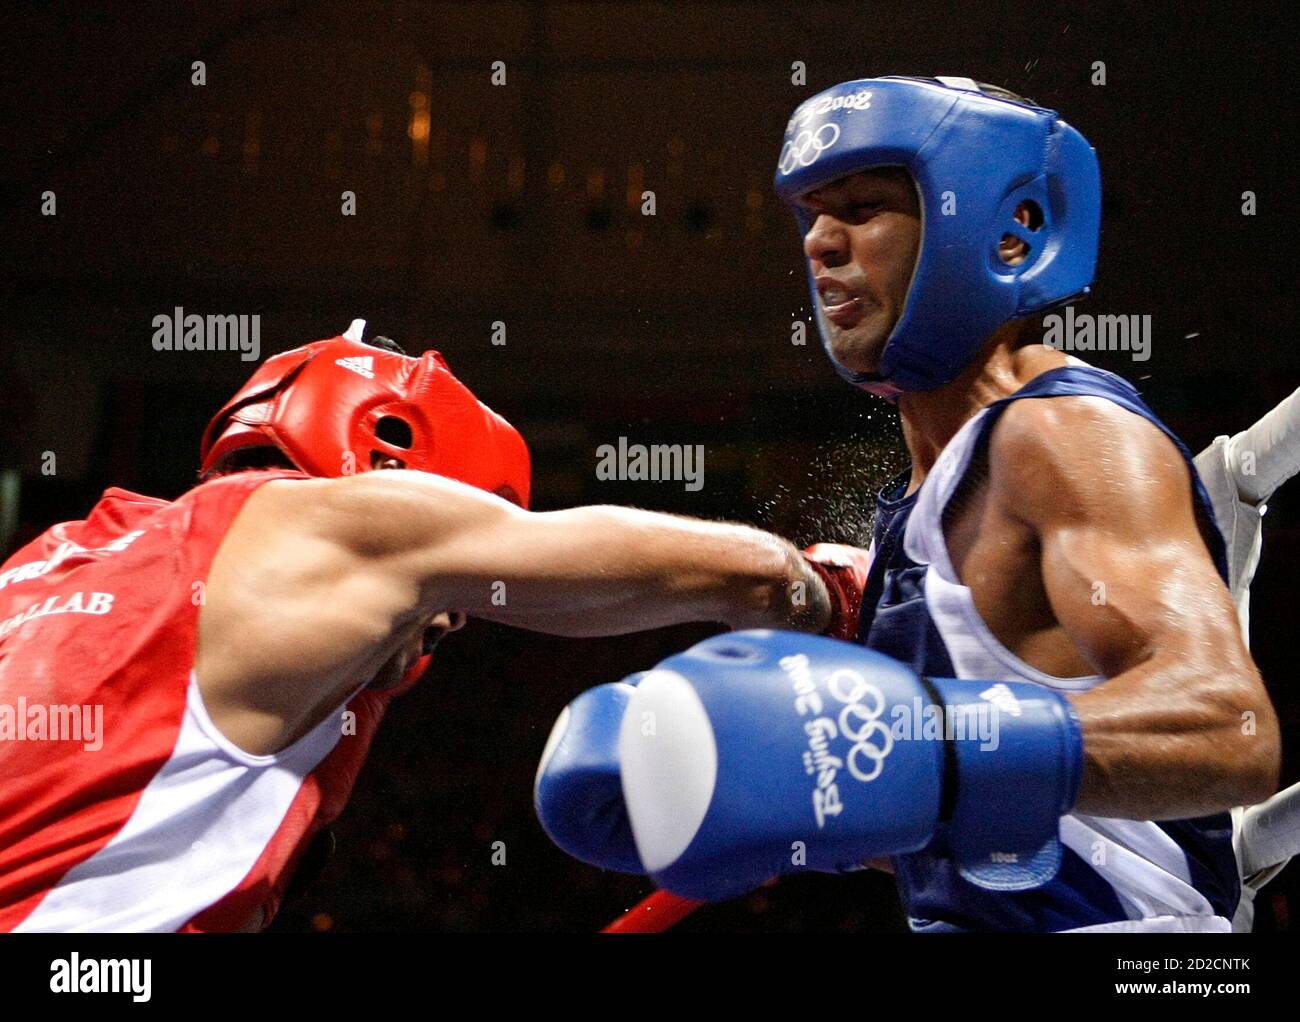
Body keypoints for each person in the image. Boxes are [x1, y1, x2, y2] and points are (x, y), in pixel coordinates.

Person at [534, 77, 1281, 933]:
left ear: (1005, 231)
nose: (820, 240)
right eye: (813, 212)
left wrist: (933, 743)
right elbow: (994, 811)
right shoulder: (926, 496)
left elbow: (1233, 729)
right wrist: (794, 806)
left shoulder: (1064, 435)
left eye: (861, 206)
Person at [0, 321, 865, 933]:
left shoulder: (55, 557)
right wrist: (817, 587)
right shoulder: (318, 522)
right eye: (448, 586)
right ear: (393, 476)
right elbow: (634, 560)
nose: (452, 620)